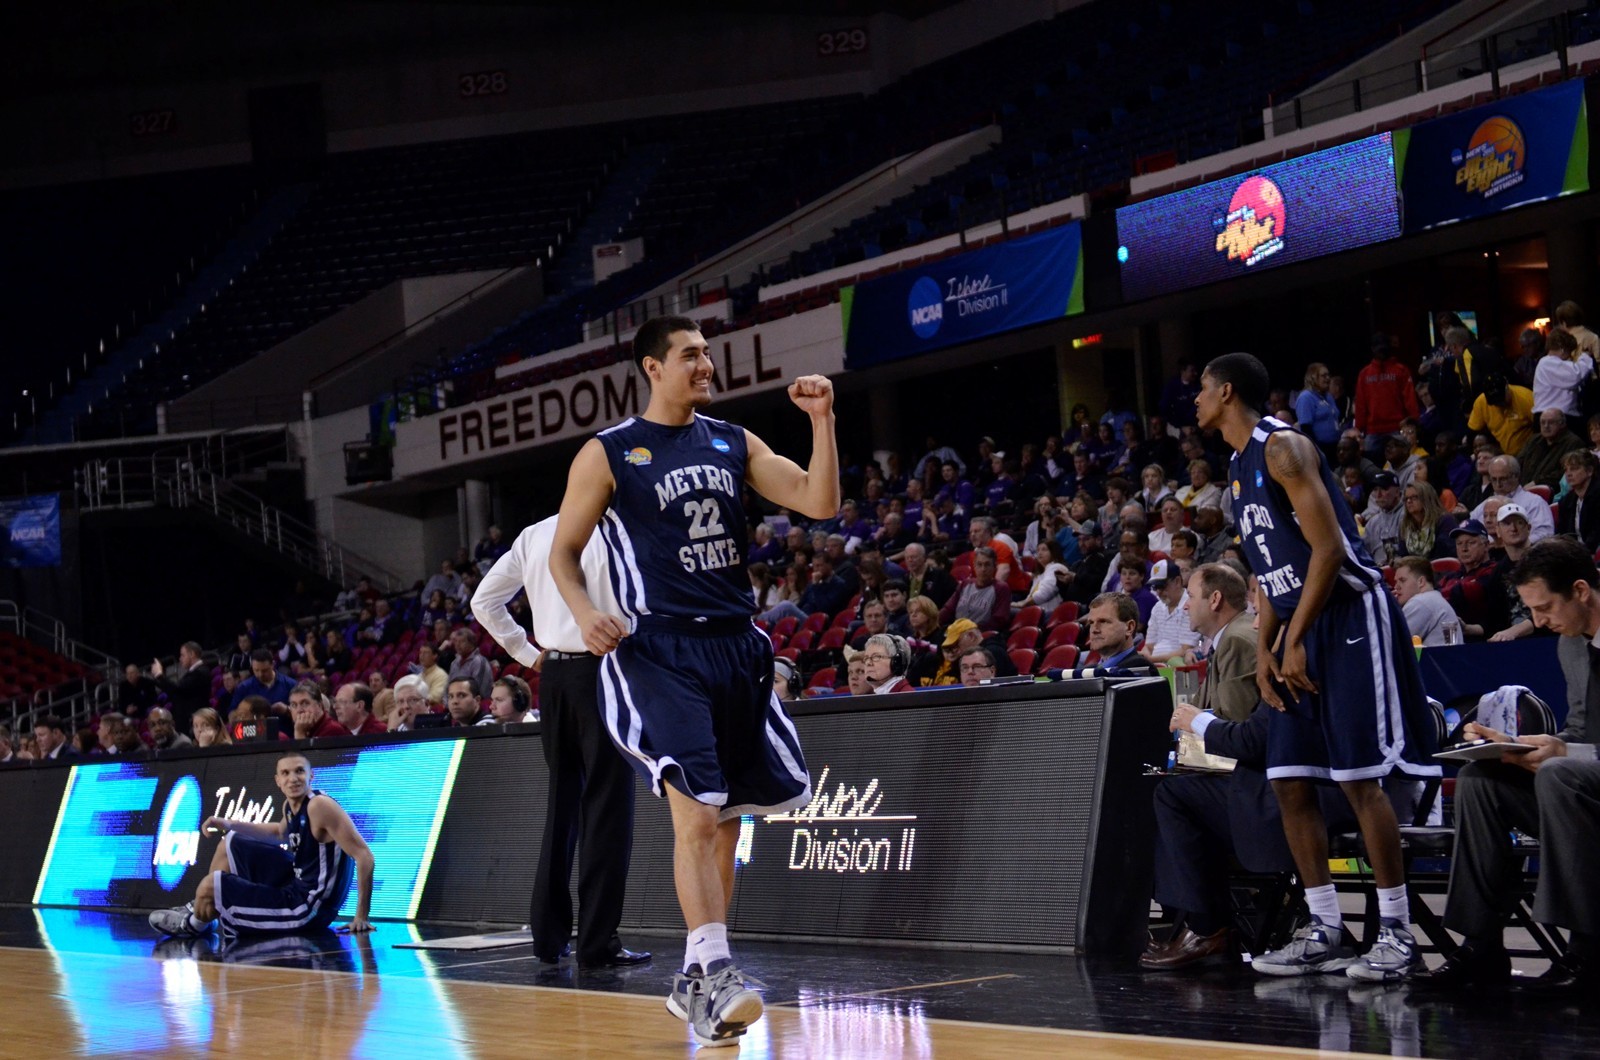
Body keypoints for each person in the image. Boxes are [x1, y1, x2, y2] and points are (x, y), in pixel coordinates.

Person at [547, 315, 835, 1046]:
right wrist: (583, 614)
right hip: (661, 652)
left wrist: (823, 422)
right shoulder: (608, 452)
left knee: (728, 819)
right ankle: (718, 967)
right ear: (652, 366)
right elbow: (564, 554)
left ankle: (699, 980)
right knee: (697, 815)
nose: (705, 364)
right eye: (690, 355)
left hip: (737, 646)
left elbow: (818, 501)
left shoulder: (731, 439)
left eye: (707, 353)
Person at [1196, 351, 1439, 981]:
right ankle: (1325, 928)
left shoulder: (1284, 448)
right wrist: (1273, 646)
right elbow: (1275, 572)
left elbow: (1329, 550)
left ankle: (1396, 933)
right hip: (1298, 618)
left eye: (1201, 390)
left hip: (1349, 617)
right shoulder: (1234, 465)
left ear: (1226, 393)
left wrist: (1296, 636)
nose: (1193, 400)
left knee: (1359, 779)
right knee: (1289, 778)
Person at [472, 514, 648, 967]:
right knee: (607, 808)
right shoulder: (616, 524)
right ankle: (597, 943)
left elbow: (483, 600)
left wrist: (530, 656)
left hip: (554, 678)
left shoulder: (534, 532)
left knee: (561, 806)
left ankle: (548, 939)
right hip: (605, 668)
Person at [1426, 537, 1600, 994]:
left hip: (1582, 786)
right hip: (1585, 790)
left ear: (1581, 590)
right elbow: (1581, 729)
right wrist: (1520, 745)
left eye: (1544, 609)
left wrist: (1564, 755)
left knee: (1561, 773)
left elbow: (1574, 756)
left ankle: (1587, 949)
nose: (1538, 622)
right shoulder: (1571, 644)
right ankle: (1481, 945)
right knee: (1480, 778)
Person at [148, 751, 374, 938]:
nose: (293, 778)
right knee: (231, 842)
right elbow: (278, 833)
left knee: (211, 884)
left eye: (299, 771)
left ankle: (195, 925)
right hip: (296, 884)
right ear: (277, 780)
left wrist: (361, 915)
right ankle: (205, 908)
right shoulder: (291, 805)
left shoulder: (319, 806)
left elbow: (364, 856)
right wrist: (228, 823)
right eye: (285, 773)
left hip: (309, 908)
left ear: (311, 776)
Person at [1181, 563, 1258, 720]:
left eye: (1190, 596)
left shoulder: (1235, 642)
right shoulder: (1229, 635)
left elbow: (1235, 723)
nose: (1185, 606)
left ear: (1215, 599)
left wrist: (1192, 722)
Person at [1469, 454, 1554, 543]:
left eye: (1503, 479)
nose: (1498, 484)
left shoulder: (1534, 502)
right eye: (1494, 479)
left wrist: (1514, 543)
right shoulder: (1483, 506)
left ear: (1516, 476)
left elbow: (1545, 534)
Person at [1391, 557, 1462, 647]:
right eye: (1396, 581)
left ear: (1421, 581)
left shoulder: (1421, 603)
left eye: (1402, 580)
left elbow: (1391, 644)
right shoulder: (1436, 600)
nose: (1396, 587)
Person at [1082, 593, 1158, 674]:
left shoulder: (1140, 669)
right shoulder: (1089, 670)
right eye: (1091, 623)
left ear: (1129, 627)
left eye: (1103, 621)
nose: (1094, 630)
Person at [938, 547, 1011, 631]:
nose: (983, 569)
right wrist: (934, 622)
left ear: (994, 566)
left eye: (987, 565)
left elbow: (999, 621)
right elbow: (948, 609)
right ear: (974, 566)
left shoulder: (1001, 588)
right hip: (956, 631)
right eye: (979, 564)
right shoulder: (965, 584)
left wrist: (971, 631)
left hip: (981, 635)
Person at [1468, 374, 1537, 457]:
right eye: (1495, 402)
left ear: (1507, 387)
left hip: (1527, 452)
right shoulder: (1481, 402)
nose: (1498, 404)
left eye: (1500, 400)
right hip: (1499, 453)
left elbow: (1540, 428)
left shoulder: (1526, 398)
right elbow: (1473, 430)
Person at [151, 641, 211, 734]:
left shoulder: (200, 672)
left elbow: (178, 689)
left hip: (195, 726)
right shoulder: (193, 673)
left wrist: (159, 675)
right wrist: (157, 679)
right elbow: (175, 692)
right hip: (188, 725)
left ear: (192, 654)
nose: (180, 659)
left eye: (182, 655)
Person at [1395, 480, 1456, 561]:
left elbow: (1445, 554)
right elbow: (1403, 555)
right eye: (1406, 499)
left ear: (1427, 498)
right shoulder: (1405, 526)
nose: (1409, 501)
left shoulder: (1444, 521)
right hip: (1413, 571)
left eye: (1414, 497)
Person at [1557, 449, 1600, 551]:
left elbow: (1597, 533)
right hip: (1575, 555)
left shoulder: (1598, 495)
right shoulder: (1566, 501)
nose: (1568, 474)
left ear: (1589, 471)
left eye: (1574, 469)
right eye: (1566, 470)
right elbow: (1563, 534)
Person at [1359, 471, 1404, 567]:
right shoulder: (1372, 523)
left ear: (1397, 492)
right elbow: (1363, 555)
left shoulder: (1407, 516)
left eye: (1383, 489)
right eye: (1375, 489)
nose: (1378, 494)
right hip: (1379, 576)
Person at [231, 650, 296, 711]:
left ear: (273, 664)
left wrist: (287, 710)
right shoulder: (243, 687)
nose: (260, 674)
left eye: (264, 670)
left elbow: (302, 712)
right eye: (256, 670)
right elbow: (232, 714)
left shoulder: (290, 684)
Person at [446, 628, 495, 698]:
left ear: (471, 643)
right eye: (456, 641)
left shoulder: (479, 662)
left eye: (462, 641)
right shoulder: (454, 663)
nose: (457, 644)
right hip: (455, 701)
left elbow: (478, 691)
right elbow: (448, 687)